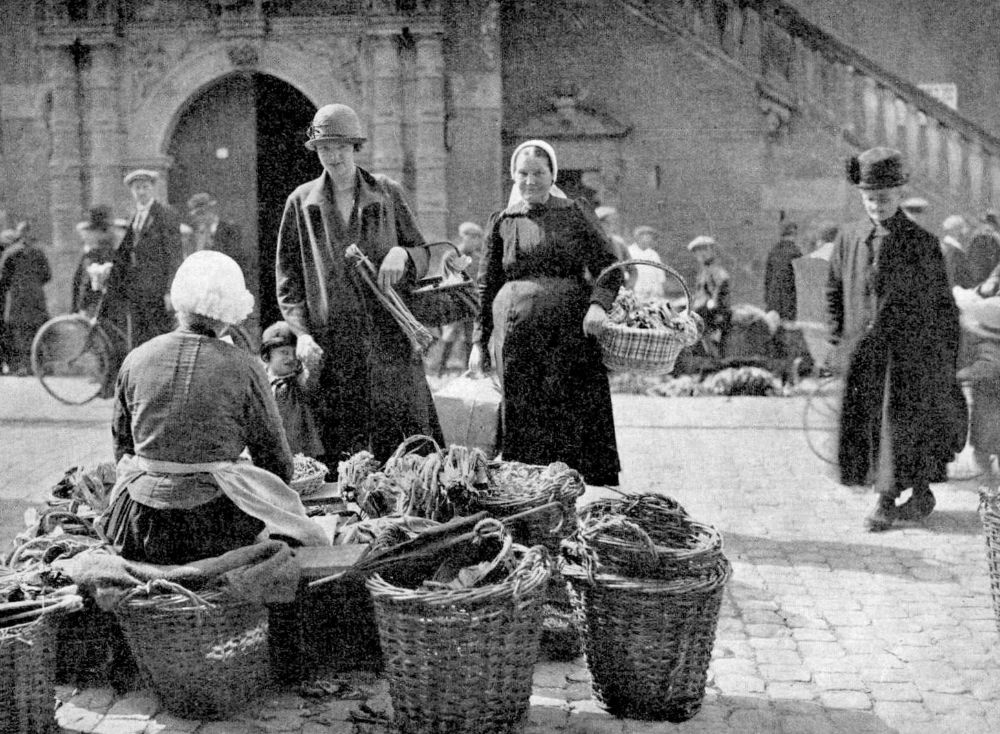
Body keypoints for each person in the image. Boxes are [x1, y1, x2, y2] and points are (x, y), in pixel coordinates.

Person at [100, 251, 327, 564]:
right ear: (231, 310)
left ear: (179, 302)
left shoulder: (136, 358)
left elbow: (123, 450)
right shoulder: (246, 366)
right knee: (312, 538)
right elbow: (277, 465)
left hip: (141, 524)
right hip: (214, 526)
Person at [276, 103, 443, 463]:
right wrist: (302, 334)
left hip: (389, 345)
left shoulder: (386, 193)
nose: (332, 156)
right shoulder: (301, 203)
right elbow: (288, 281)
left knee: (404, 448)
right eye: (324, 148)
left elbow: (422, 252)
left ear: (354, 147)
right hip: (333, 349)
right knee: (343, 453)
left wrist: (403, 254)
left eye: (340, 147)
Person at [468, 139, 622, 486]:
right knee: (524, 418)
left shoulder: (574, 213)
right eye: (522, 173)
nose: (530, 180)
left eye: (539, 172)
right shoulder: (502, 221)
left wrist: (599, 304)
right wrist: (479, 342)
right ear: (513, 176)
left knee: (571, 415)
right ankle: (530, 498)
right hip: (516, 340)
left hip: (569, 336)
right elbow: (486, 284)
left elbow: (610, 267)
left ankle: (579, 495)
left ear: (553, 175)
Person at [826, 147, 964, 531]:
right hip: (863, 352)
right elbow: (834, 289)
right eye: (869, 199)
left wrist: (945, 356)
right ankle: (916, 492)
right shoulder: (849, 238)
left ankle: (887, 500)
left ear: (899, 195)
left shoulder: (921, 243)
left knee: (901, 425)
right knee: (873, 424)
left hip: (908, 354)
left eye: (883, 199)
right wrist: (838, 336)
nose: (876, 206)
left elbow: (941, 304)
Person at [103, 169, 184, 347]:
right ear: (132, 191)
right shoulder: (135, 217)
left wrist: (170, 290)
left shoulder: (165, 215)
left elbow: (174, 255)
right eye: (137, 188)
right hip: (137, 290)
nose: (141, 192)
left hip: (157, 289)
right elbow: (127, 251)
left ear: (152, 189)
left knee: (159, 335)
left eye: (145, 187)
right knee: (139, 336)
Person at [260, 320, 325, 460]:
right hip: (272, 447)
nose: (291, 357)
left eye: (295, 353)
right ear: (266, 356)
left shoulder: (299, 380)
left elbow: (311, 381)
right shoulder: (261, 381)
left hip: (300, 448)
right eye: (284, 352)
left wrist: (312, 364)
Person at [956, 298, 1000, 486]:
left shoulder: (987, 348)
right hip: (989, 408)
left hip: (989, 411)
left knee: (982, 452)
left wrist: (960, 375)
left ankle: (990, 487)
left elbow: (987, 368)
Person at [0, 222, 51, 376]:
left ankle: (23, 366)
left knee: (20, 332)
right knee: (36, 331)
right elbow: (47, 275)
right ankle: (36, 366)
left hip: (18, 298)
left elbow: (3, 278)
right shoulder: (39, 252)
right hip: (35, 298)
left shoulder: (10, 252)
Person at [435, 221, 484, 376]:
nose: (476, 241)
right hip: (454, 301)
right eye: (473, 237)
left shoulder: (477, 258)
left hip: (471, 302)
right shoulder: (452, 255)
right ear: (464, 237)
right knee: (450, 334)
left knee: (471, 335)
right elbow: (443, 278)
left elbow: (479, 279)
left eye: (478, 238)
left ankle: (468, 370)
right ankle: (440, 370)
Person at [764, 221, 805, 380]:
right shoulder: (796, 252)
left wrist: (768, 302)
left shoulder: (773, 252)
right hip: (790, 305)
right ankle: (789, 378)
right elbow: (800, 282)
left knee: (776, 338)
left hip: (773, 304)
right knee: (790, 341)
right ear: (794, 234)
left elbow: (767, 281)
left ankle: (777, 375)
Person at [688, 235, 732, 360]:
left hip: (715, 311)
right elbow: (700, 291)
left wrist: (713, 300)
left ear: (710, 251)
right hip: (705, 308)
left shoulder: (715, 269)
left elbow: (722, 282)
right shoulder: (704, 270)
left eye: (703, 251)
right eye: (697, 252)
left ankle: (712, 359)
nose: (700, 255)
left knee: (702, 329)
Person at [185, 192, 248, 277]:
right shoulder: (195, 233)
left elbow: (235, 263)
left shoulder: (231, 231)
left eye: (201, 213)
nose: (197, 218)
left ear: (212, 210)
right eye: (195, 215)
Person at [71, 205, 118, 317]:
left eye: (89, 231)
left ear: (100, 233)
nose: (85, 236)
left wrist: (82, 309)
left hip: (96, 313)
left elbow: (88, 287)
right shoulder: (89, 255)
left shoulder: (102, 256)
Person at [627, 225, 668, 300]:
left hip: (652, 295)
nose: (647, 240)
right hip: (635, 293)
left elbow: (660, 276)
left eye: (649, 237)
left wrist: (659, 292)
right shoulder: (630, 252)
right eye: (644, 236)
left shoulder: (653, 254)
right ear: (637, 238)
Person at [940, 214, 974, 289]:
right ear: (955, 230)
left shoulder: (944, 246)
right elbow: (955, 276)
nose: (965, 232)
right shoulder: (954, 250)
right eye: (962, 228)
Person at [967, 209, 1000, 286]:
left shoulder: (975, 236)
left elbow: (970, 256)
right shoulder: (994, 237)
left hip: (977, 275)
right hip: (988, 277)